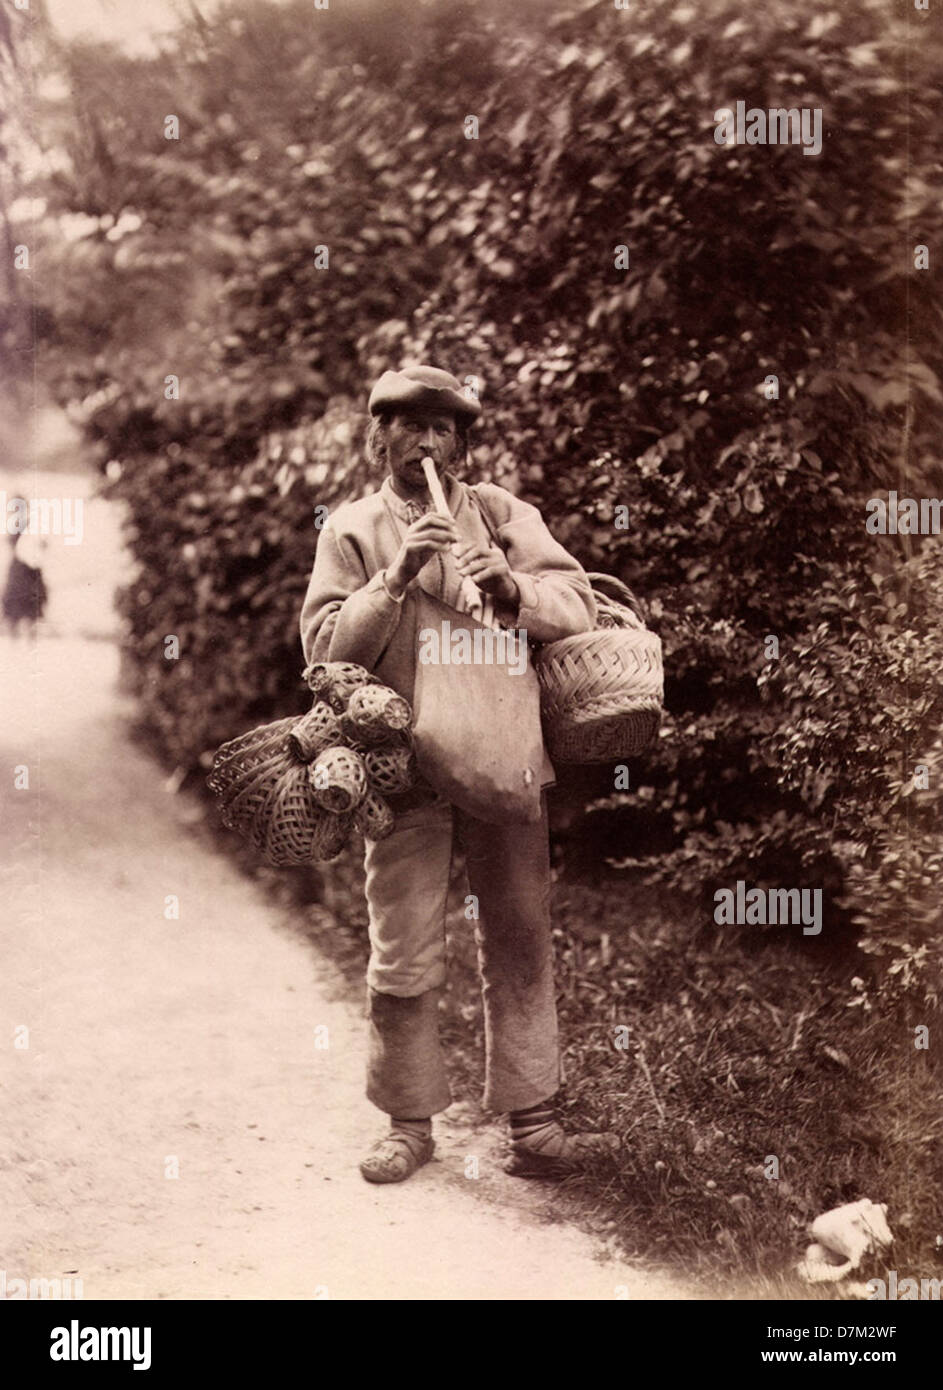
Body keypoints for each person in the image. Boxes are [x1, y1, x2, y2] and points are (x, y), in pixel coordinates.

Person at [300, 364, 617, 1183]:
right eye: (408, 425)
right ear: (380, 436)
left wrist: (511, 584)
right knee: (402, 946)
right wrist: (397, 575)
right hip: (398, 769)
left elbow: (579, 604)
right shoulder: (355, 529)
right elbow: (325, 654)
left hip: (503, 754)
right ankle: (409, 1123)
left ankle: (534, 1125)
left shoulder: (503, 514)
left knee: (518, 933)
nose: (426, 442)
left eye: (443, 428)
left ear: (463, 442)